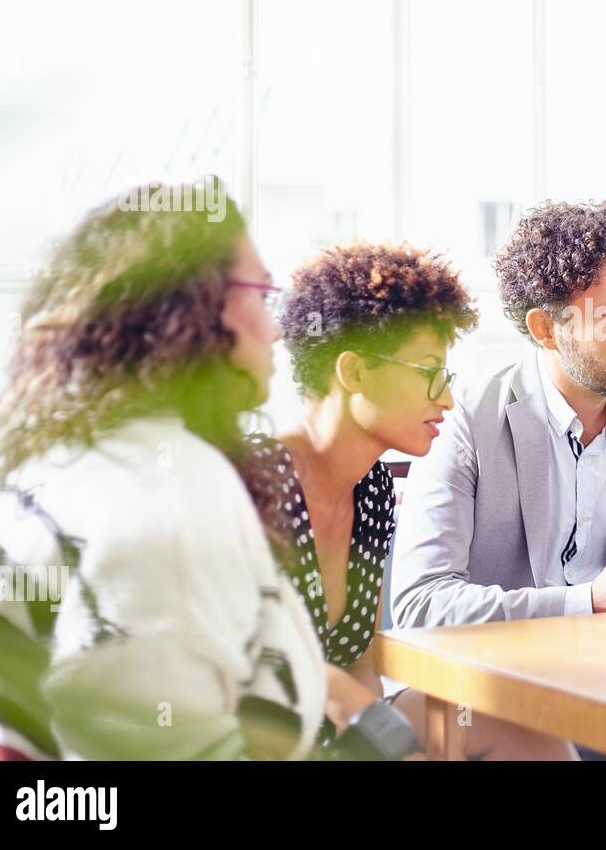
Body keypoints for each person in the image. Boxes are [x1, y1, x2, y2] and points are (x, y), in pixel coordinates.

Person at [0, 179, 328, 760]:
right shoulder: (169, 500)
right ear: (193, 308)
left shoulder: (51, 463)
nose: (278, 325)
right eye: (260, 293)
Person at [246, 242, 576, 759]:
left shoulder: (372, 488)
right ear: (353, 372)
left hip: (328, 733)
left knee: (521, 724)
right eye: (428, 371)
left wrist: (384, 744)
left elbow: (357, 665)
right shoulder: (254, 485)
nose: (445, 397)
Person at [391, 198, 606, 627]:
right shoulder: (468, 421)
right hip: (502, 678)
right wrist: (587, 602)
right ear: (545, 330)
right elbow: (420, 602)